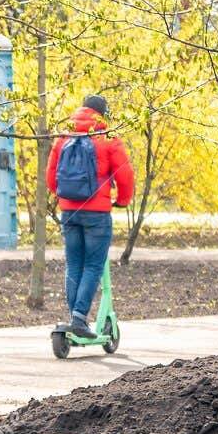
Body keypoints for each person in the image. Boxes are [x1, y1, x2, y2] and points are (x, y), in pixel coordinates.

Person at [45, 94, 133, 336]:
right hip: (97, 213)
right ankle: (79, 319)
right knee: (93, 265)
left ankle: (76, 318)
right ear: (103, 114)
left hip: (70, 211)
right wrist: (122, 201)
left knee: (74, 264)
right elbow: (125, 176)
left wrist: (65, 197)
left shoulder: (64, 137)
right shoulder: (108, 138)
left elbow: (51, 178)